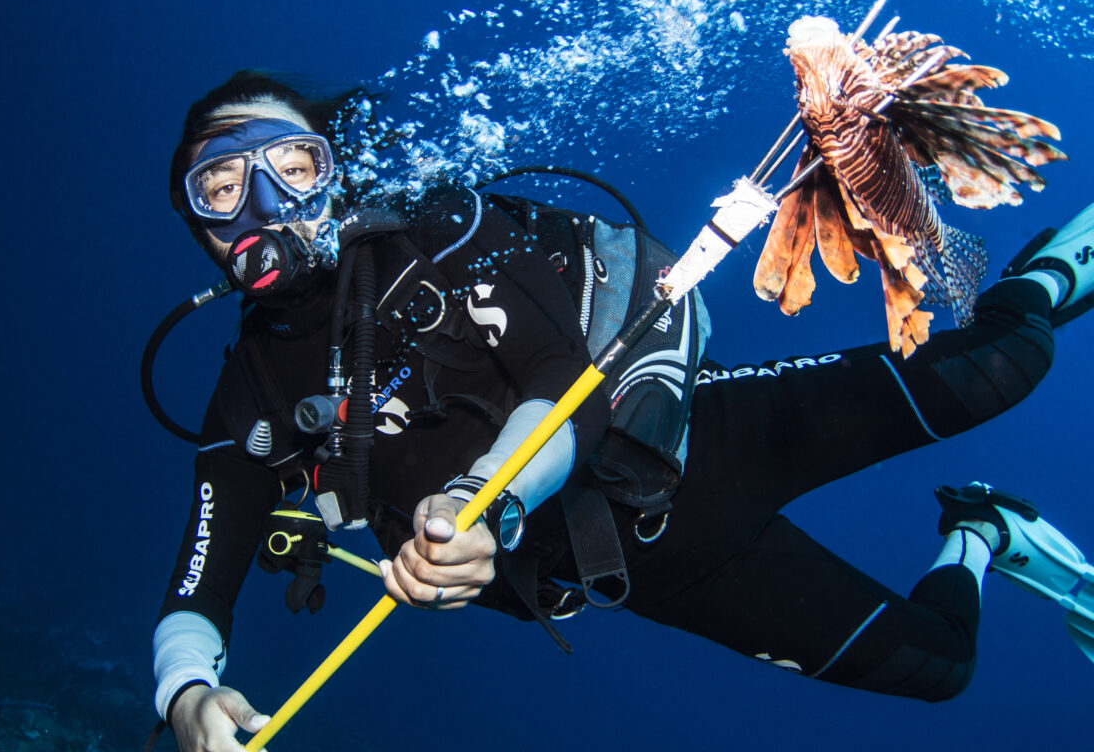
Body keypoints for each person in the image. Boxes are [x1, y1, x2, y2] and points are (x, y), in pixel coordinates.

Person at [151, 70, 1094, 751]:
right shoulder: (250, 397)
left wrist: (492, 499)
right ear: (200, 231)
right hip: (649, 573)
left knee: (1005, 365)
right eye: (222, 187)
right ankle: (979, 535)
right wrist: (187, 691)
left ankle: (1048, 277)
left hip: (713, 437)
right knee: (937, 668)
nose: (262, 202)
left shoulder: (441, 233)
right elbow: (201, 578)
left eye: (291, 164)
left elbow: (562, 378)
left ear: (336, 169)